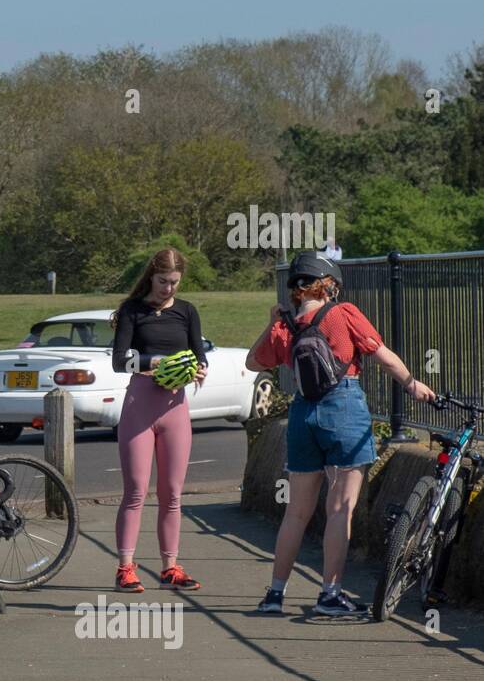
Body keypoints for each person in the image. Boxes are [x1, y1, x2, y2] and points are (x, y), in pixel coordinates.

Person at [246, 251, 434, 616]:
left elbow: (254, 362)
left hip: (303, 413)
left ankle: (274, 595)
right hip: (343, 407)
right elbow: (382, 354)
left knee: (296, 513)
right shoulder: (342, 313)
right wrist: (413, 384)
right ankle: (330, 594)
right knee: (339, 509)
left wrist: (271, 323)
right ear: (328, 284)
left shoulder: (286, 325)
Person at [109, 247, 208, 593]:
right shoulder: (132, 311)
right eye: (164, 281)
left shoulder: (187, 312)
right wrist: (155, 364)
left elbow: (199, 354)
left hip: (174, 408)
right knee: (135, 491)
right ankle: (125, 567)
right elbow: (119, 361)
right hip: (140, 404)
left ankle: (170, 567)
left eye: (175, 283)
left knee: (172, 493)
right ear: (152, 276)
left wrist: (199, 369)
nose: (169, 289)